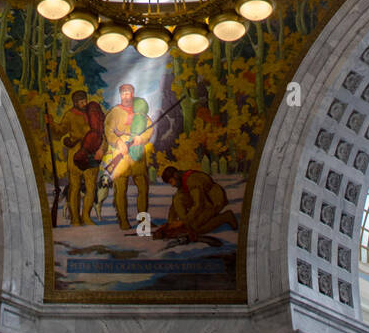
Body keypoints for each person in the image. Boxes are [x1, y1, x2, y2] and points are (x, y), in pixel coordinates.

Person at [50, 90, 105, 226]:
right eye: (81, 102)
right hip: (75, 153)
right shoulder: (70, 115)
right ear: (75, 103)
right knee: (74, 187)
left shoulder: (93, 113)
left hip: (91, 152)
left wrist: (101, 148)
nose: (84, 104)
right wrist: (51, 123)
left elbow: (101, 132)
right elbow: (59, 131)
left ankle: (86, 216)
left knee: (91, 187)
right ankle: (75, 218)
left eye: (85, 101)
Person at [103, 83, 154, 231]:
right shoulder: (115, 112)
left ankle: (143, 222)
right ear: (120, 95)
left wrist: (141, 138)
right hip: (121, 155)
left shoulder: (140, 112)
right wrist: (118, 142)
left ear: (133, 94)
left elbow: (149, 128)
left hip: (137, 154)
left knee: (143, 189)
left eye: (129, 93)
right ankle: (123, 221)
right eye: (123, 93)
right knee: (120, 190)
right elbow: (108, 131)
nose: (126, 96)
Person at [155, 166, 238, 241]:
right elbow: (175, 205)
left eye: (171, 182)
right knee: (177, 198)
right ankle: (187, 226)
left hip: (214, 200)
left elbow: (199, 205)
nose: (172, 185)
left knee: (196, 227)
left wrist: (183, 222)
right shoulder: (182, 181)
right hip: (204, 200)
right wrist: (170, 224)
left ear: (175, 176)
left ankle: (226, 217)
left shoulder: (192, 180)